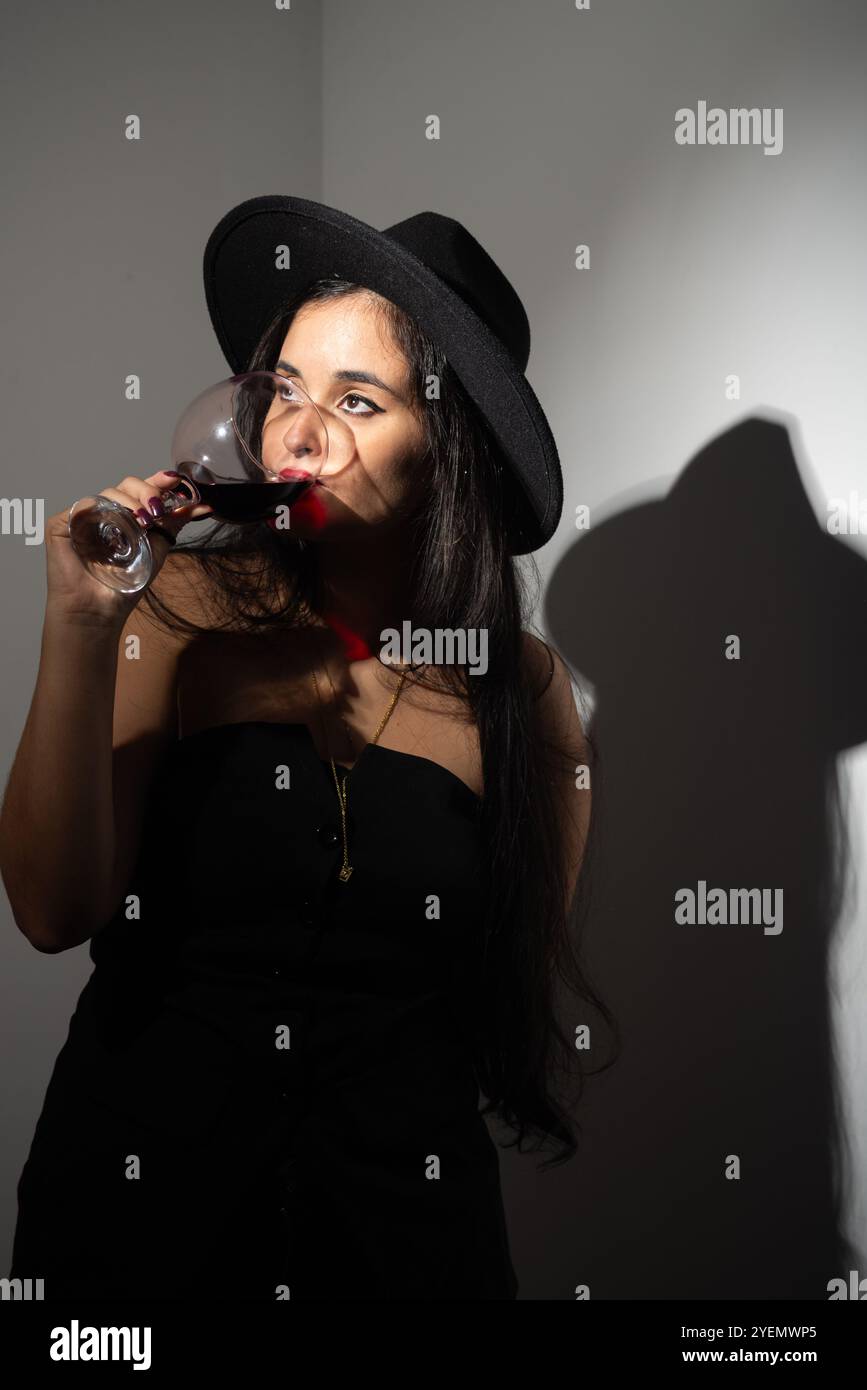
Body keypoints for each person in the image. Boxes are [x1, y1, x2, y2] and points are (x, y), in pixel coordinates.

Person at [1, 195, 610, 1300]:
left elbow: (497, 1002)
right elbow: (51, 910)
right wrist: (81, 626)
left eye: (357, 398)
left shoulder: (525, 694)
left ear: (448, 446)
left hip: (402, 1243)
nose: (298, 432)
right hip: (135, 1230)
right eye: (282, 389)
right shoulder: (172, 608)